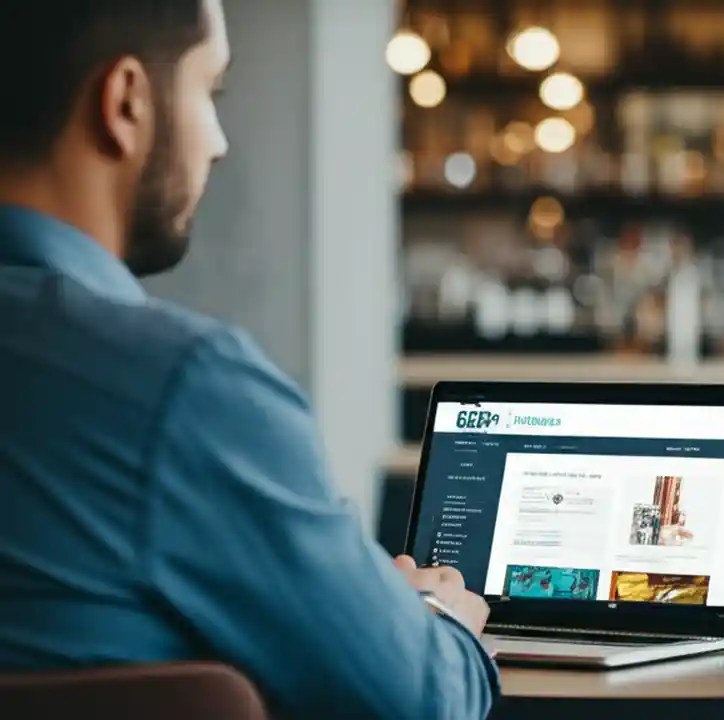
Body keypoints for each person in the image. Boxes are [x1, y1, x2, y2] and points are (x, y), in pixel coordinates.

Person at [0, 1, 498, 717]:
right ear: (126, 102)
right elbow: (421, 702)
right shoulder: (181, 390)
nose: (219, 142)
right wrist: (438, 617)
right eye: (211, 91)